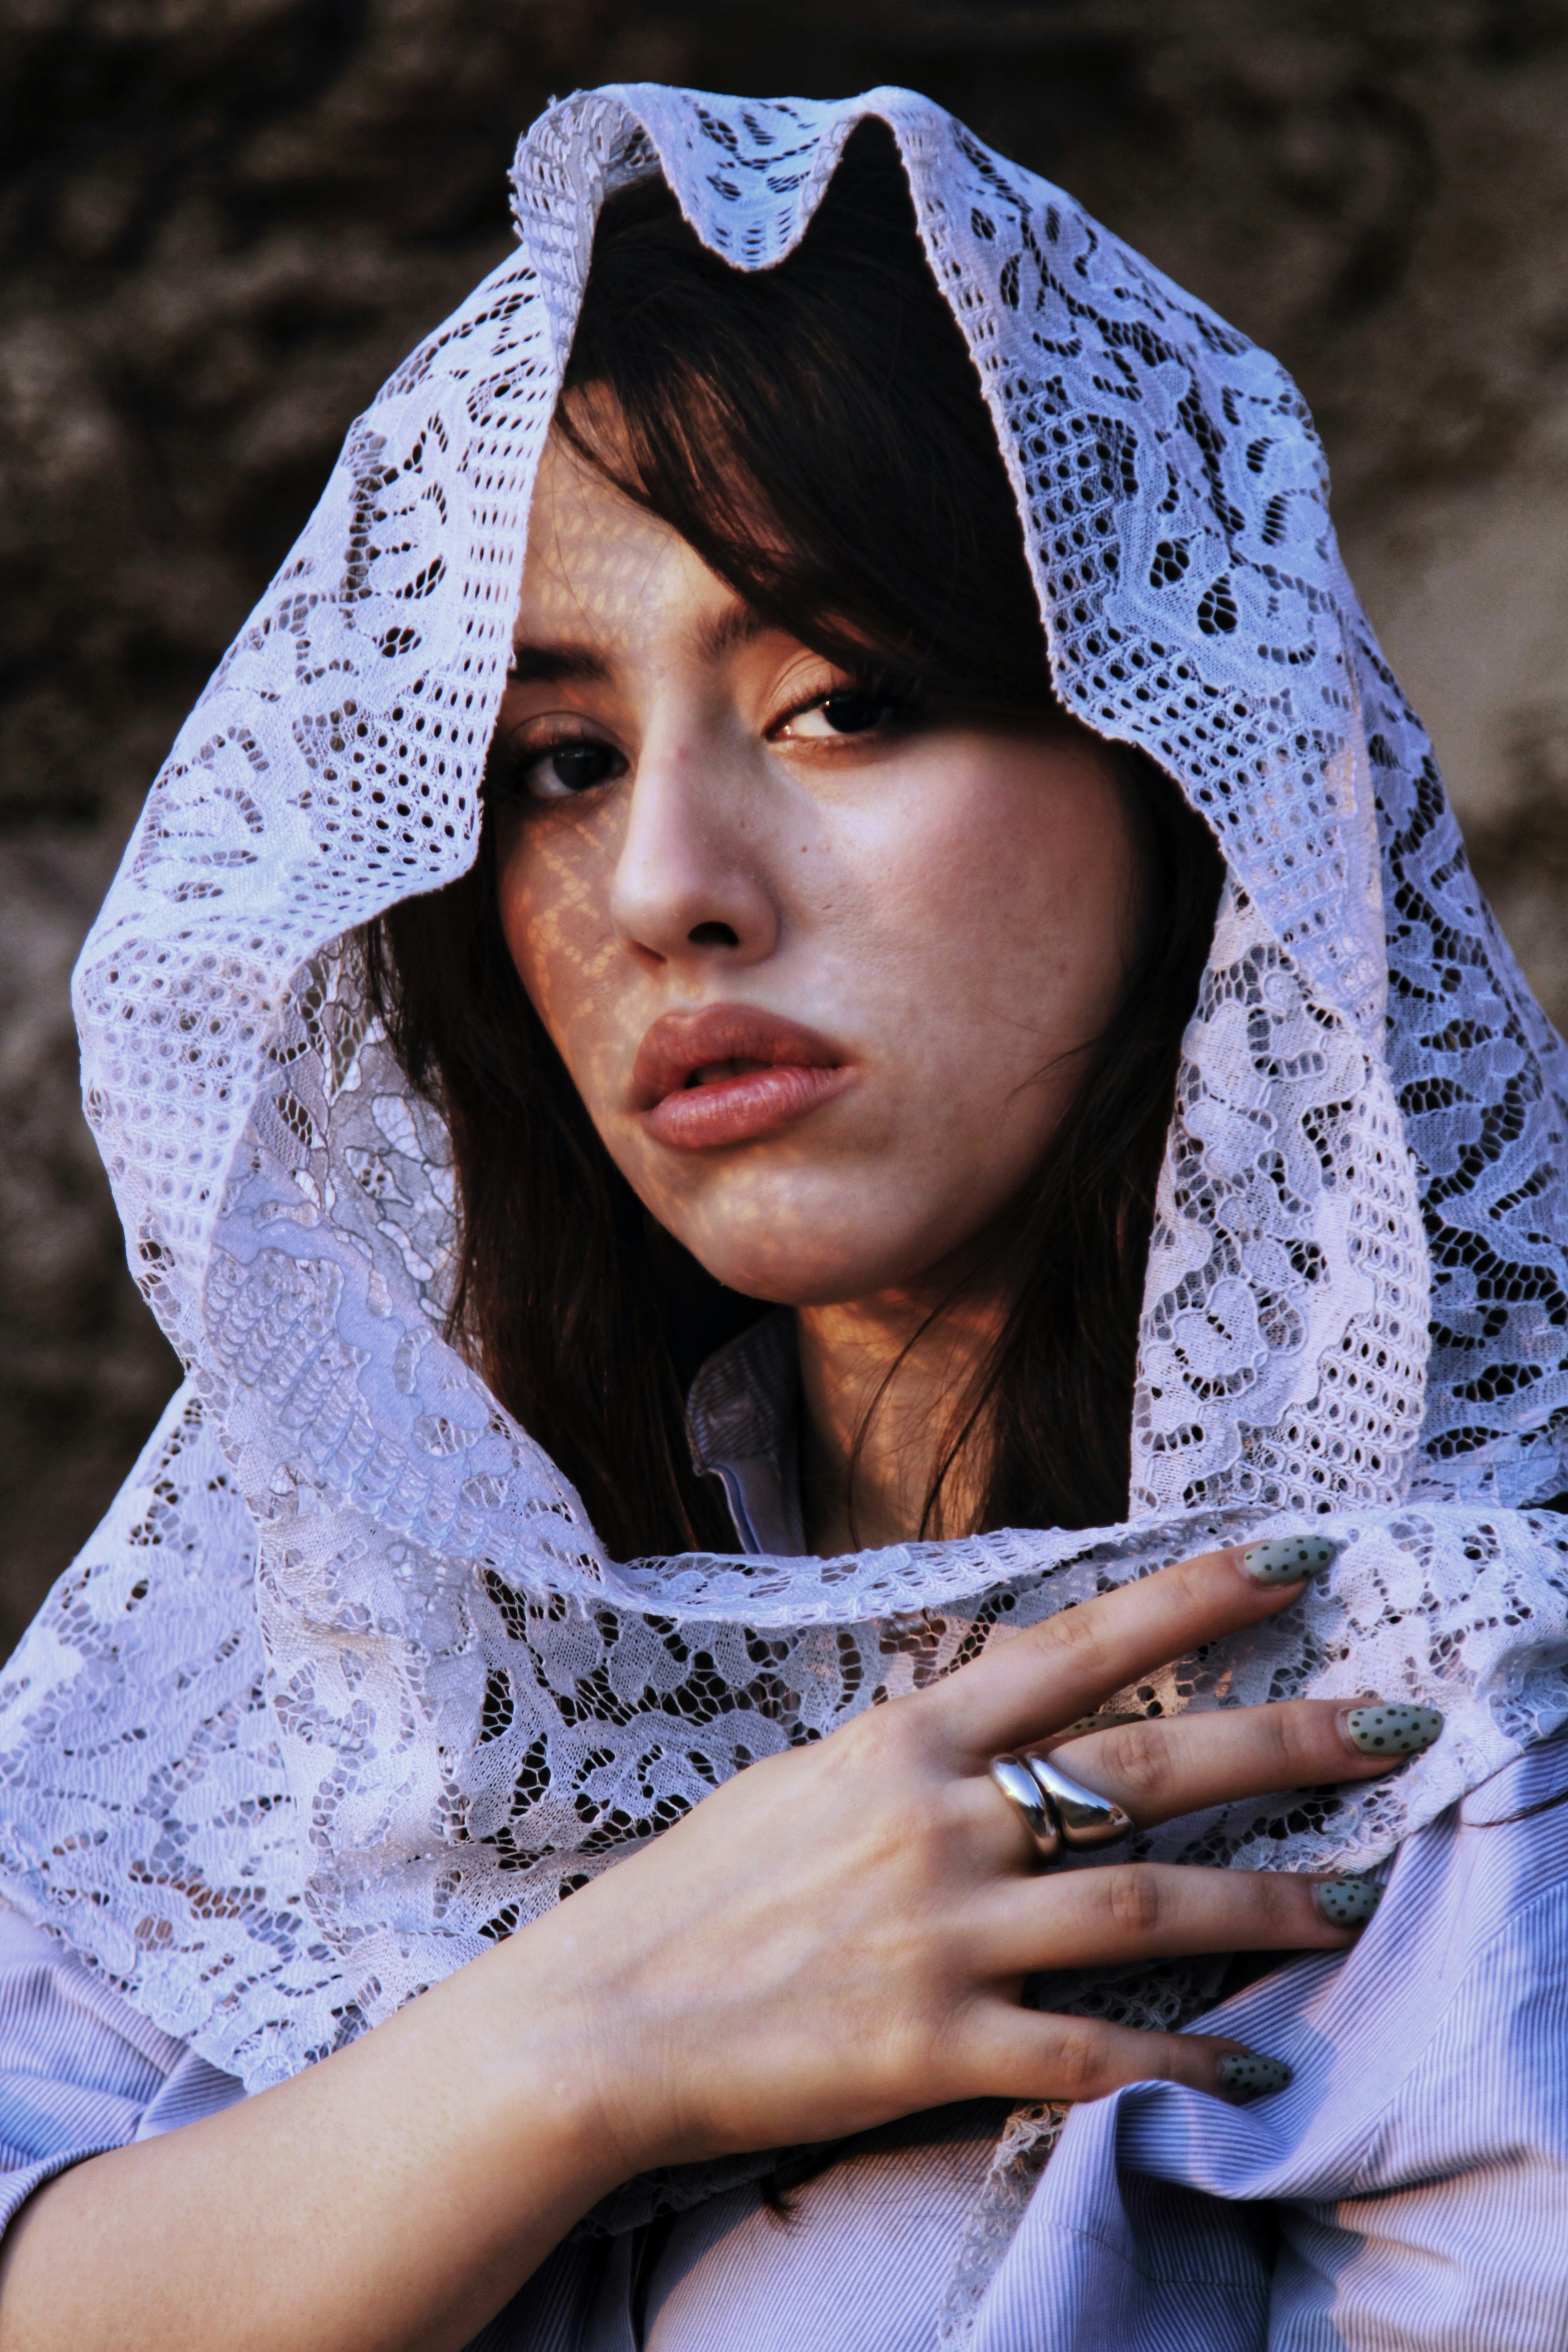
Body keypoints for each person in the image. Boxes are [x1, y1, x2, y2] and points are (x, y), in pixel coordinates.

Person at [0, 84, 1563, 2352]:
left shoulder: (1455, 1766)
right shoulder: (331, 1701)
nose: (662, 890)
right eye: (559, 761)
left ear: (1191, 773)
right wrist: (588, 2034)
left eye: (842, 700)